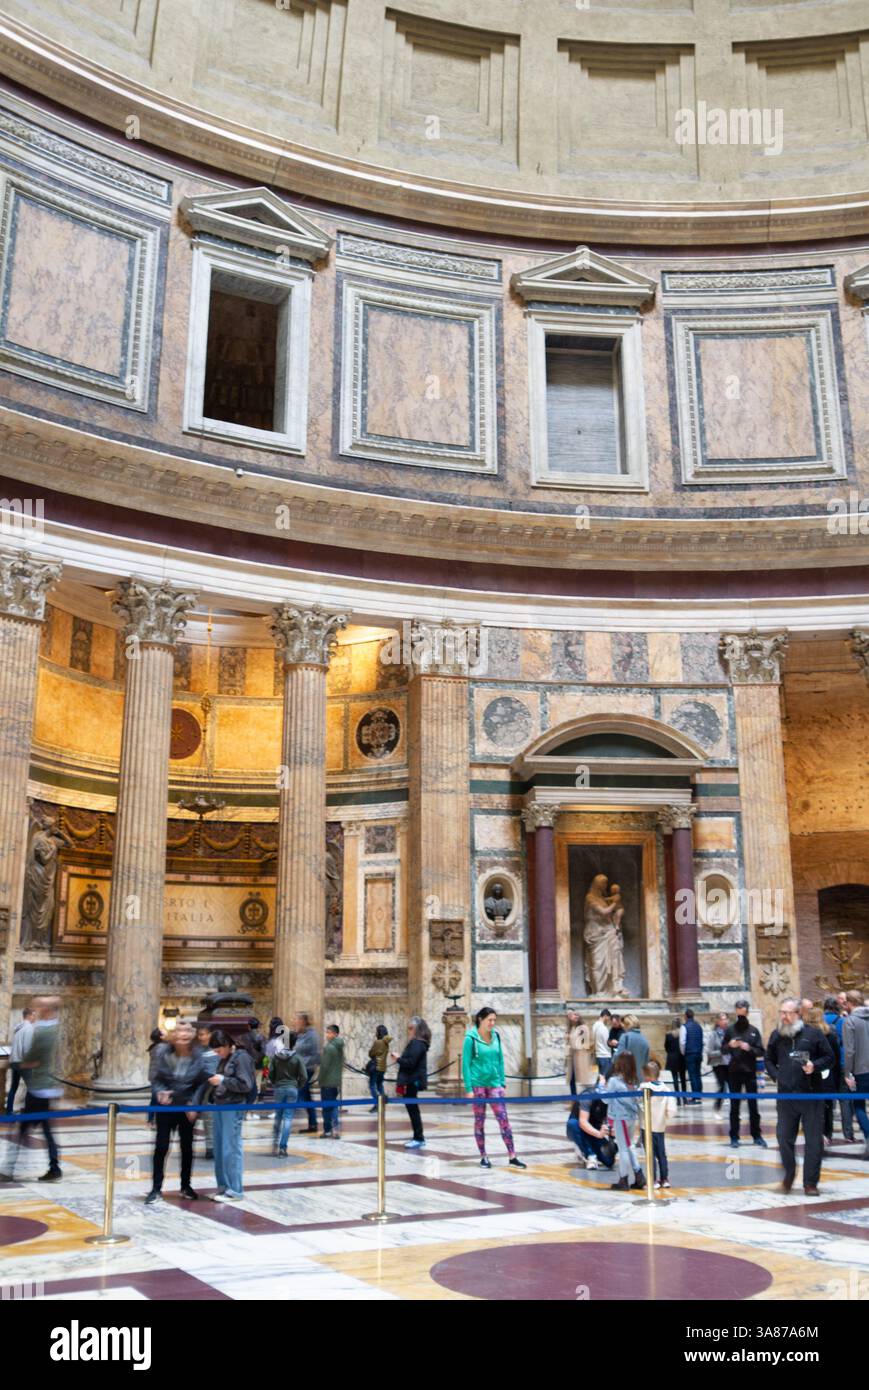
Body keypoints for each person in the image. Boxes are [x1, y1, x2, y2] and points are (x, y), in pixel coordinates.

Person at [765, 997, 835, 1195]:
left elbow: (830, 1058)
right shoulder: (777, 1036)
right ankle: (789, 1175)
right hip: (786, 1097)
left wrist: (815, 1066)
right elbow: (768, 1059)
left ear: (798, 1014)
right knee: (784, 1137)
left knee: (813, 1141)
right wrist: (776, 1075)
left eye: (787, 1013)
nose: (783, 1016)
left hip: (811, 1095)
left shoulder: (813, 1035)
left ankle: (810, 1183)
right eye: (781, 1012)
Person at [145, 1020, 211, 1205]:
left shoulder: (199, 1055)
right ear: (173, 1035)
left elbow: (201, 1082)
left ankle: (186, 1185)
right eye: (179, 1031)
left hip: (187, 1107)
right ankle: (156, 1188)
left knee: (187, 1148)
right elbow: (155, 1077)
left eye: (187, 1031)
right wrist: (160, 1092)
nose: (183, 1034)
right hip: (166, 1107)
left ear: (191, 1035)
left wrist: (195, 1105)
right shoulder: (161, 1052)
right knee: (161, 1147)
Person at [0, 996, 63, 1183]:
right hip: (48, 1088)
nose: (38, 1009)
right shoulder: (53, 1030)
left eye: (41, 1006)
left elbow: (32, 1057)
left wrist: (27, 1062)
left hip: (39, 1089)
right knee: (46, 1130)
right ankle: (54, 1167)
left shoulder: (44, 1032)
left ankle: (9, 1168)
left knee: (23, 1129)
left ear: (48, 1010)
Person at [462, 1007, 526, 1170]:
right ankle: (483, 1156)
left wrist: (502, 1082)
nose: (492, 1023)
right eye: (490, 1020)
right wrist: (469, 1088)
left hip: (494, 1083)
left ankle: (512, 1155)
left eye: (494, 1020)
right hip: (478, 1085)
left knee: (504, 1120)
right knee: (480, 1121)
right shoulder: (470, 1038)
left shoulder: (496, 1036)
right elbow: (466, 1064)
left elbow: (500, 1060)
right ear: (480, 1020)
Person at [208, 1029, 255, 1200]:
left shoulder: (241, 1057)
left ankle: (234, 1189)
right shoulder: (225, 1058)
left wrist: (223, 1080)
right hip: (220, 1105)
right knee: (220, 1148)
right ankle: (223, 1186)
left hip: (233, 1106)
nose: (217, 1054)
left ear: (228, 1045)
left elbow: (246, 1084)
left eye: (219, 1050)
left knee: (231, 1147)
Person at [723, 1000, 767, 1149]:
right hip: (734, 1072)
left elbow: (761, 1051)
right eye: (738, 1013)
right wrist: (730, 1045)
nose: (741, 1016)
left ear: (747, 1012)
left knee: (753, 1106)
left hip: (750, 1071)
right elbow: (722, 1049)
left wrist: (749, 1048)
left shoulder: (753, 1031)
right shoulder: (730, 1030)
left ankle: (757, 1135)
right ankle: (734, 1136)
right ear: (736, 1012)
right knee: (734, 1107)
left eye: (743, 1013)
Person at [606, 1052, 645, 1192]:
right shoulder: (633, 1080)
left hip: (620, 1117)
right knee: (630, 1146)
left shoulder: (614, 1081)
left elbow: (606, 1099)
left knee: (623, 1148)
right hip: (631, 1117)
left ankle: (623, 1179)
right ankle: (639, 1175)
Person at [392, 1016, 430, 1150]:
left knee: (413, 1110)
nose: (409, 1031)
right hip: (411, 1080)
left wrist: (398, 1059)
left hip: (412, 1081)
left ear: (417, 1029)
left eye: (411, 1028)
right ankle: (418, 1137)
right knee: (412, 1109)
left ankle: (419, 1138)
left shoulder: (417, 1044)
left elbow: (410, 1063)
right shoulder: (418, 1043)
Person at [269, 1028, 307, 1155]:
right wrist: (298, 1085)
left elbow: (271, 1074)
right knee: (288, 1118)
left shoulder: (275, 1057)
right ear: (294, 1043)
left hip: (279, 1089)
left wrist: (275, 1082)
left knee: (278, 1116)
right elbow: (304, 1076)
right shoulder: (297, 1058)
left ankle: (274, 1141)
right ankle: (283, 1146)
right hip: (292, 1089)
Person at [842, 989, 869, 1156]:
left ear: (849, 1003)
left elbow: (850, 1051)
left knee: (858, 1105)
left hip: (861, 1070)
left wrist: (847, 1073)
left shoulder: (850, 1021)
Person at [643, 1059, 677, 1190]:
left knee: (650, 1154)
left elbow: (639, 1104)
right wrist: (665, 1117)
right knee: (661, 1154)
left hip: (646, 1126)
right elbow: (672, 1110)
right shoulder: (666, 1089)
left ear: (646, 1075)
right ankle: (665, 1179)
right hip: (660, 1126)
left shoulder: (643, 1087)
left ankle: (653, 1180)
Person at [567, 1080, 615, 1171]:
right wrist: (599, 1134)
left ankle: (588, 1148)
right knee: (572, 1124)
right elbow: (583, 1122)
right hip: (578, 1128)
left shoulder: (613, 1098)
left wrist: (612, 1132)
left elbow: (614, 1121)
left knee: (609, 1161)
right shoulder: (588, 1096)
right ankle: (590, 1155)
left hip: (595, 1130)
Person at [806, 1006, 837, 1148]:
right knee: (828, 1106)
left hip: (809, 1074)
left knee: (811, 1107)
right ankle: (827, 1134)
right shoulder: (830, 1033)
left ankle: (815, 1134)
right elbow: (834, 1056)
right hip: (827, 1073)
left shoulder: (805, 1034)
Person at [293, 1013, 321, 1134]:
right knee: (306, 1096)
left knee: (301, 1094)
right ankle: (313, 1123)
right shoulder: (301, 1035)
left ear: (303, 1021)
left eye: (297, 1020)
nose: (295, 1022)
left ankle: (290, 1117)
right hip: (300, 1069)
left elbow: (314, 1054)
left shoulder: (312, 1035)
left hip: (307, 1069)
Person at [834, 991, 856, 1141]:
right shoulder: (842, 1021)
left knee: (848, 1098)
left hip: (844, 1062)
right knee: (847, 1099)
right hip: (845, 1062)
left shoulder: (848, 1019)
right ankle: (848, 1132)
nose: (843, 1001)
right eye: (841, 999)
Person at [195, 1024, 218, 1159]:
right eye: (200, 1034)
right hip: (202, 1090)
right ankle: (209, 1147)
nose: (201, 1037)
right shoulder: (197, 1051)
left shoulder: (217, 1050)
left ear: (210, 1034)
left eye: (204, 1034)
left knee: (213, 1120)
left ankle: (214, 1146)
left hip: (216, 1090)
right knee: (206, 1119)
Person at [5, 1007, 34, 1115]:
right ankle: (27, 1113)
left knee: (13, 1087)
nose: (34, 1018)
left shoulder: (18, 1028)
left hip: (14, 1061)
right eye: (33, 1015)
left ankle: (9, 1111)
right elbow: (26, 1048)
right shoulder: (29, 1028)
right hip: (23, 1062)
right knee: (31, 1087)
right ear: (29, 1015)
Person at [318, 1024, 344, 1138]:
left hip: (327, 1081)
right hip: (336, 1081)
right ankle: (336, 1128)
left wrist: (320, 1079)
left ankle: (327, 1130)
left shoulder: (329, 1048)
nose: (327, 1035)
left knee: (326, 1108)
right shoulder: (340, 1047)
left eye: (329, 1032)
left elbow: (325, 1066)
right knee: (333, 1106)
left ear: (335, 1034)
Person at [237, 1017, 265, 1107]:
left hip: (246, 1065)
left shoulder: (242, 1037)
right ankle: (254, 1104)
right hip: (258, 1064)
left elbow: (240, 1051)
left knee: (247, 1083)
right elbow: (264, 1052)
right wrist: (257, 1059)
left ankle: (246, 1104)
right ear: (258, 1026)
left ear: (248, 1026)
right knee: (257, 1084)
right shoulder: (262, 1037)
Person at [565, 1010, 594, 1095]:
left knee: (584, 1081)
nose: (573, 1017)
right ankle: (574, 1100)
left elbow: (583, 1044)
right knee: (572, 1080)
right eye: (570, 1016)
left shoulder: (583, 1028)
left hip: (582, 1057)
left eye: (575, 1015)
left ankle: (586, 1101)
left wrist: (570, 1038)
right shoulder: (571, 1028)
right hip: (573, 1057)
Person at [706, 1012, 730, 1113]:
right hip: (718, 1064)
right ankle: (717, 1107)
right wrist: (721, 1052)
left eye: (726, 1019)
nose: (724, 1021)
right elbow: (709, 1052)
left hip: (729, 1063)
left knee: (733, 1086)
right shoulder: (713, 1034)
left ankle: (735, 1110)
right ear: (718, 1021)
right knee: (722, 1086)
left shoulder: (730, 1033)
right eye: (722, 1019)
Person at [679, 1008, 704, 1103]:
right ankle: (699, 1095)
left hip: (690, 1054)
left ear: (685, 1016)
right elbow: (702, 1040)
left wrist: (683, 1052)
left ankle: (695, 1097)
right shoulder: (699, 1026)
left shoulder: (684, 1027)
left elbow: (682, 1042)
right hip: (698, 1053)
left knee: (692, 1075)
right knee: (698, 1074)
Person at [367, 1024, 391, 1111]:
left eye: (376, 1031)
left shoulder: (378, 1042)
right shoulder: (386, 1042)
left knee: (372, 1085)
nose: (375, 1033)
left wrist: (372, 1052)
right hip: (383, 1067)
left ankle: (378, 1103)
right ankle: (382, 1103)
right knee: (380, 1085)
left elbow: (371, 1053)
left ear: (379, 1032)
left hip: (376, 1067)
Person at [664, 1019, 687, 1105]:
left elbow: (666, 1047)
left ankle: (678, 1099)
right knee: (683, 1079)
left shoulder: (668, 1035)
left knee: (675, 1079)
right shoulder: (682, 1034)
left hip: (672, 1057)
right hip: (681, 1057)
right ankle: (684, 1098)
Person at [592, 1009, 613, 1078]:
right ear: (605, 1016)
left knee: (600, 1078)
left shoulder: (594, 1026)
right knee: (605, 1079)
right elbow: (607, 1043)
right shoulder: (603, 1028)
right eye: (608, 1018)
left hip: (598, 1055)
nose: (608, 1021)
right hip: (605, 1056)